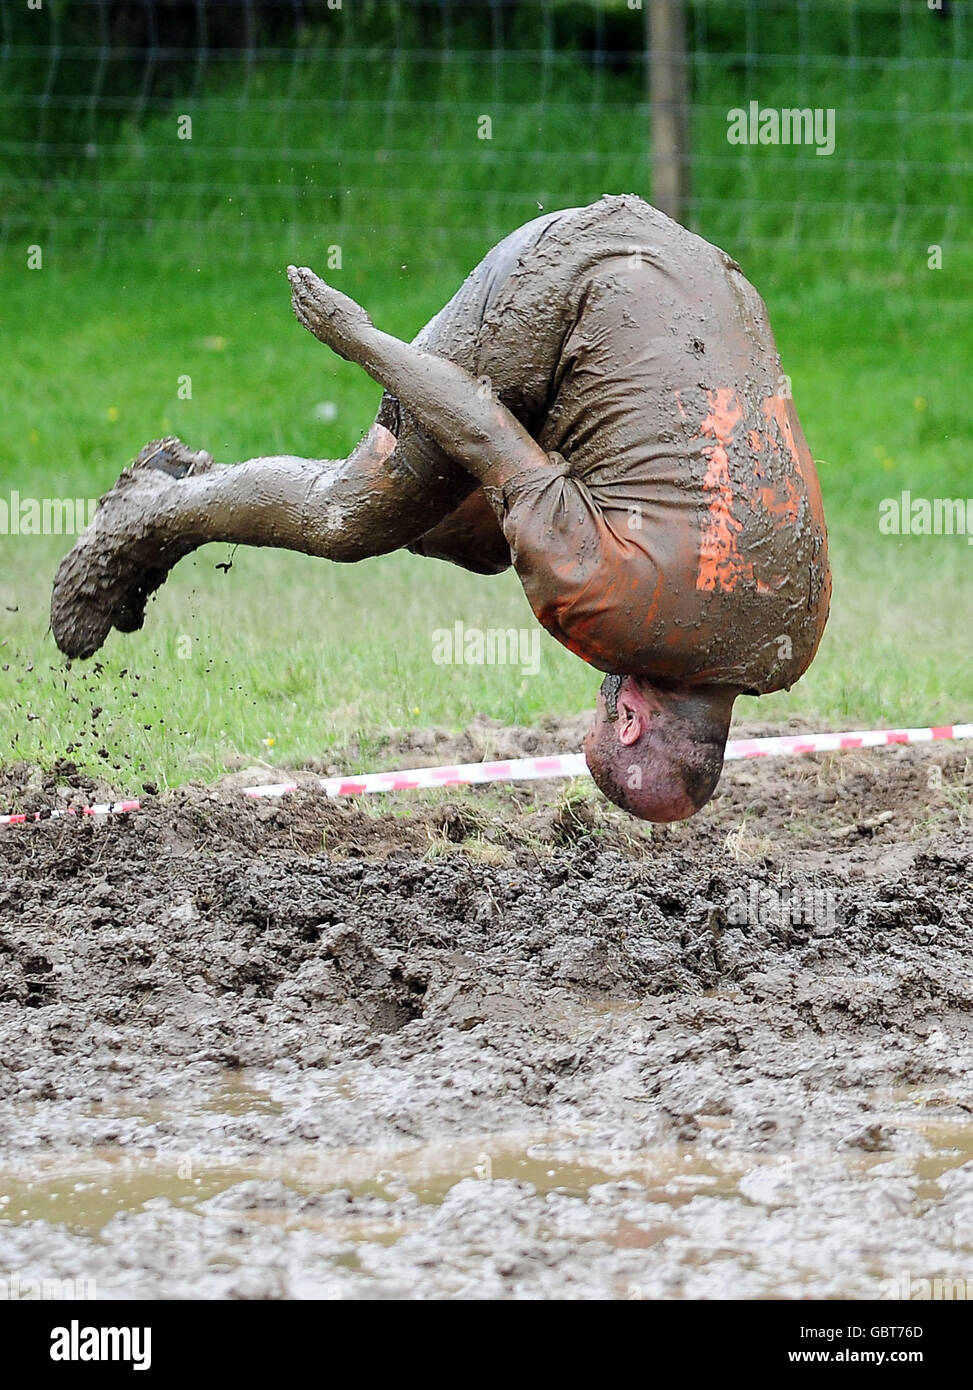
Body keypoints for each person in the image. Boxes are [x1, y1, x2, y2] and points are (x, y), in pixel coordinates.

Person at [51, 194, 831, 822]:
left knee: (483, 539)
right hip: (565, 289)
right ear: (629, 720)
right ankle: (148, 511)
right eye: (597, 728)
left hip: (698, 280)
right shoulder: (608, 610)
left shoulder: (786, 648)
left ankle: (199, 489)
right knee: (350, 516)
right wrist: (360, 339)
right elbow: (484, 427)